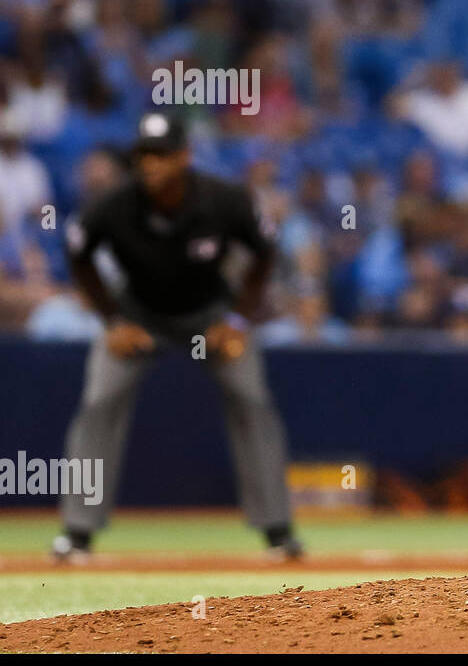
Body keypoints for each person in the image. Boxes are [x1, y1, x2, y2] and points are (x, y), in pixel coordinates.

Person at [52, 112, 301, 561]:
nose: (150, 164)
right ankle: (77, 533)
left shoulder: (224, 200)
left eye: (161, 155)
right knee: (98, 402)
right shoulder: (114, 204)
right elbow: (77, 253)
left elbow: (265, 251)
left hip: (209, 316)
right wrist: (111, 319)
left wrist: (241, 319)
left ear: (184, 156)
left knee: (252, 399)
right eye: (144, 155)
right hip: (138, 315)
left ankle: (278, 531)